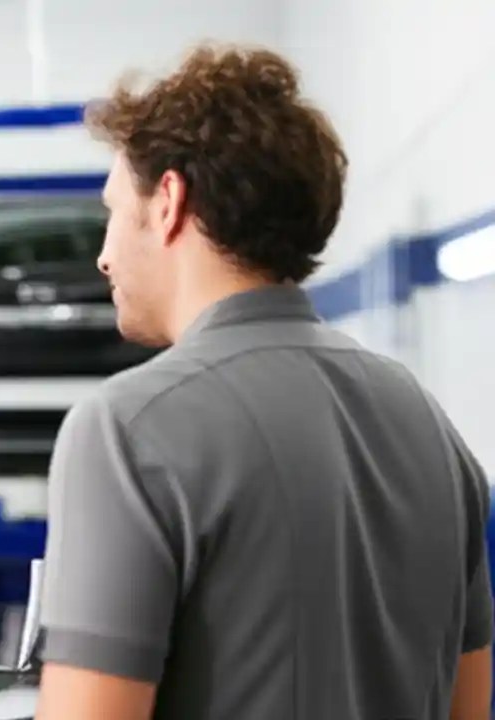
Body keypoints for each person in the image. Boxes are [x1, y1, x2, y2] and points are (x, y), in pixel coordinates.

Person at [33, 43, 493, 720]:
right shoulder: (427, 422)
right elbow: (470, 708)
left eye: (112, 211)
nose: (104, 256)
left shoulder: (129, 429)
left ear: (168, 200)